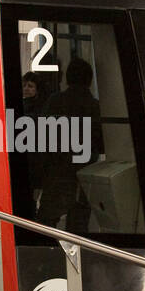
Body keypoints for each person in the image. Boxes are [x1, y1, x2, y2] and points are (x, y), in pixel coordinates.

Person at [35, 57, 103, 231]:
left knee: (46, 223)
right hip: (85, 174)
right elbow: (101, 142)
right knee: (78, 226)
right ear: (90, 80)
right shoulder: (95, 107)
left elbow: (41, 135)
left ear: (67, 78)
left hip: (57, 171)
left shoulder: (55, 102)